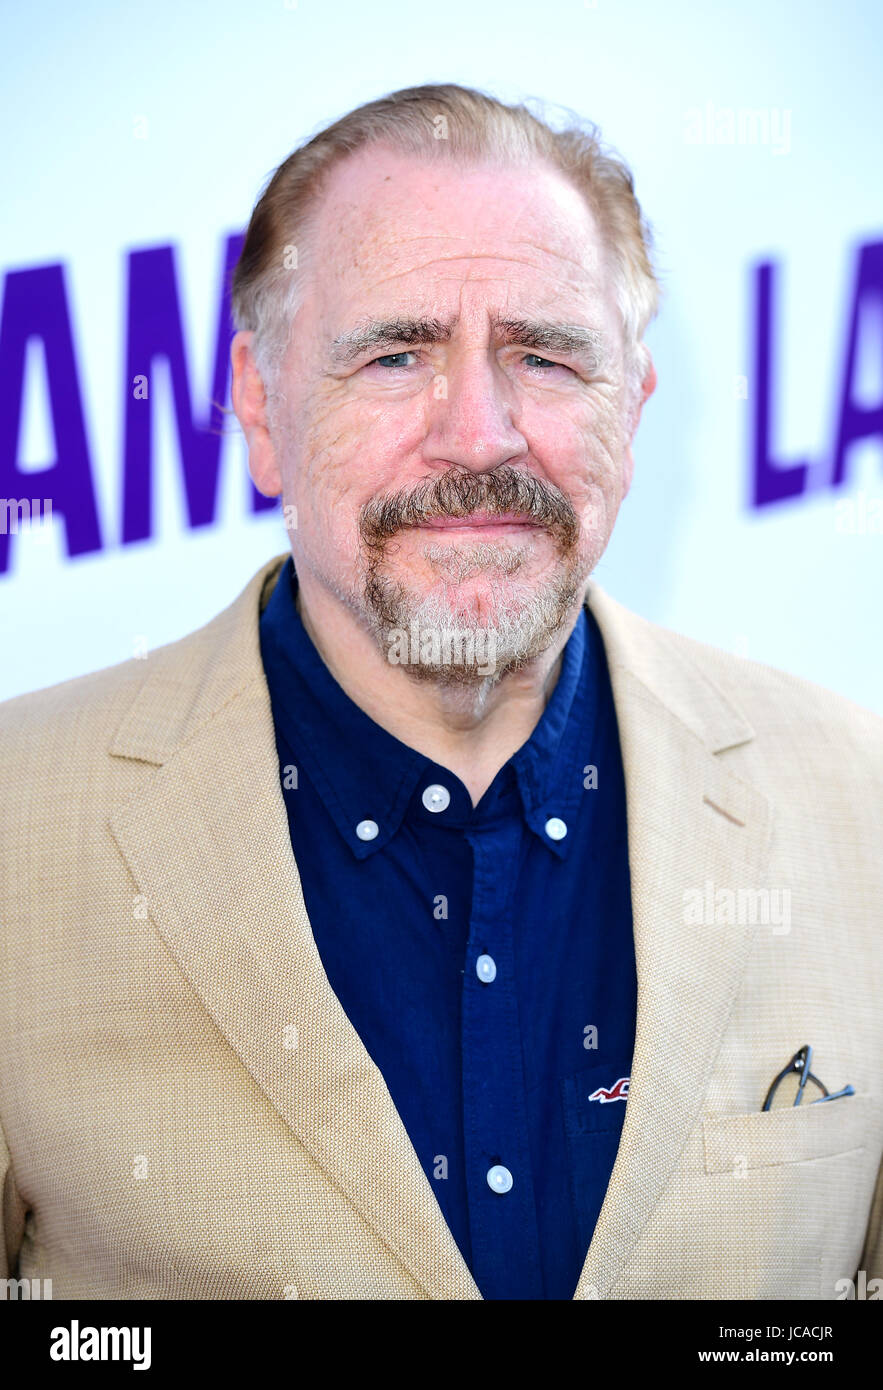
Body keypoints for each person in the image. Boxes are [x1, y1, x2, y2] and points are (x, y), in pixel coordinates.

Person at [1, 84, 880, 1301]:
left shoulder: (857, 800)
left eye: (546, 355)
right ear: (259, 408)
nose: (478, 434)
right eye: (395, 353)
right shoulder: (16, 824)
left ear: (633, 409)